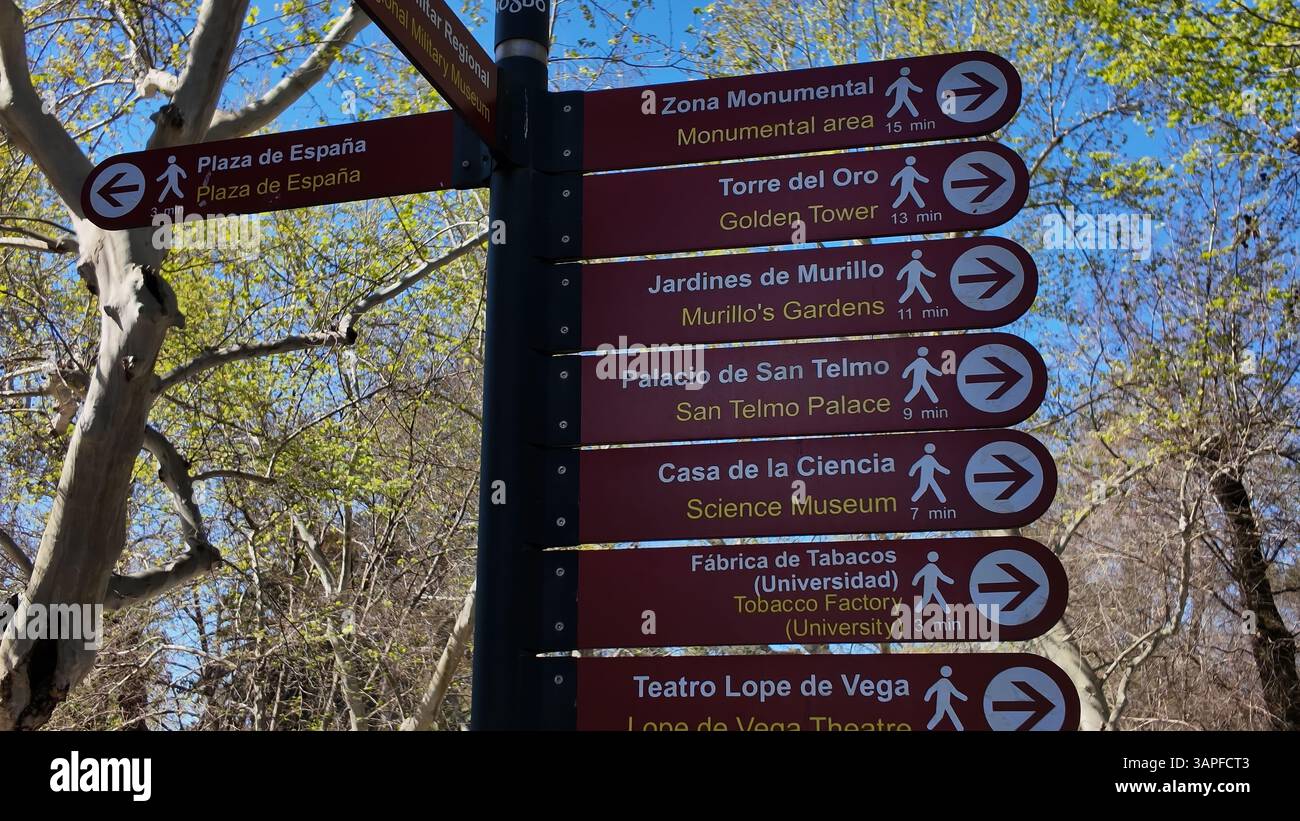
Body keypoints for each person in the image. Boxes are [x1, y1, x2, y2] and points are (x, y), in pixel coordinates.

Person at [925, 665, 968, 730]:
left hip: (946, 702)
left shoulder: (947, 682)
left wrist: (964, 698)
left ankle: (959, 728)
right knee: (941, 715)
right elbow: (931, 689)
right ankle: (929, 726)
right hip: (941, 703)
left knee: (946, 715)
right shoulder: (941, 682)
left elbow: (955, 692)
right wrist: (927, 697)